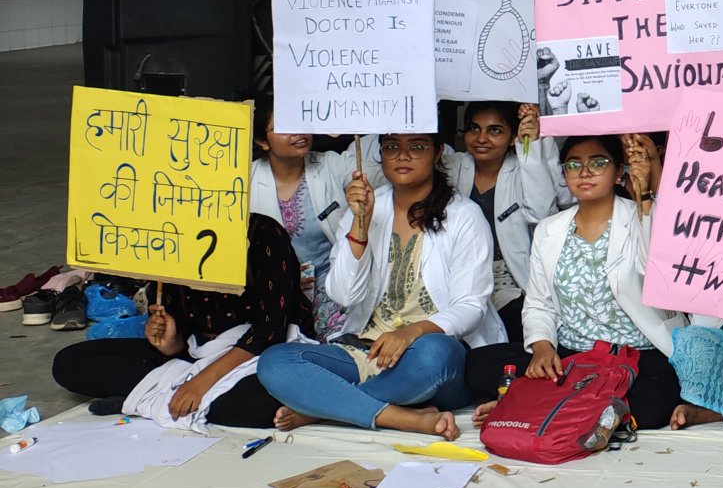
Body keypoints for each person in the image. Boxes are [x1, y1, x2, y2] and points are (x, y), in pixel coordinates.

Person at [257, 132, 504, 438]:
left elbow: (471, 307)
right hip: (366, 350)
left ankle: (327, 407)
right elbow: (343, 294)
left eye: (416, 146)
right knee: (276, 362)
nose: (402, 156)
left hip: (428, 358)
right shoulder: (367, 207)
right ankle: (404, 417)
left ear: (438, 152)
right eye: (391, 147)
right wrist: (360, 225)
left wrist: (410, 333)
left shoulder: (464, 215)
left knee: (436, 354)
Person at [462, 135, 685, 431]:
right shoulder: (549, 229)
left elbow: (653, 270)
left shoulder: (642, 217)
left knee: (656, 402)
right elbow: (539, 303)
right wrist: (542, 348)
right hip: (572, 355)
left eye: (598, 163)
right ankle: (583, 408)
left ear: (619, 172)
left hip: (634, 355)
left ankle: (532, 403)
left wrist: (645, 198)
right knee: (476, 365)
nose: (584, 172)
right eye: (573, 165)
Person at [50, 215, 304, 428]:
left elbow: (268, 333)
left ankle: (150, 397)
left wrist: (201, 383)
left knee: (258, 405)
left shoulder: (263, 233)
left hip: (256, 356)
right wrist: (168, 341)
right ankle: (161, 397)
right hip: (192, 356)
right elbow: (179, 339)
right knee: (68, 363)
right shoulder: (170, 234)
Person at [446, 102, 559, 350]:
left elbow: (542, 215)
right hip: (459, 279)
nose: (481, 138)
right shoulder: (452, 166)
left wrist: (529, 147)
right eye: (474, 129)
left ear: (511, 138)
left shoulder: (523, 166)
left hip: (511, 284)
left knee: (511, 344)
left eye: (495, 130)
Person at [248, 100, 364, 340]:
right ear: (262, 141)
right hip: (271, 286)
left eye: (300, 121)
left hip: (329, 278)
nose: (298, 132)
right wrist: (284, 280)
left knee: (339, 339)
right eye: (284, 126)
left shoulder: (334, 165)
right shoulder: (245, 180)